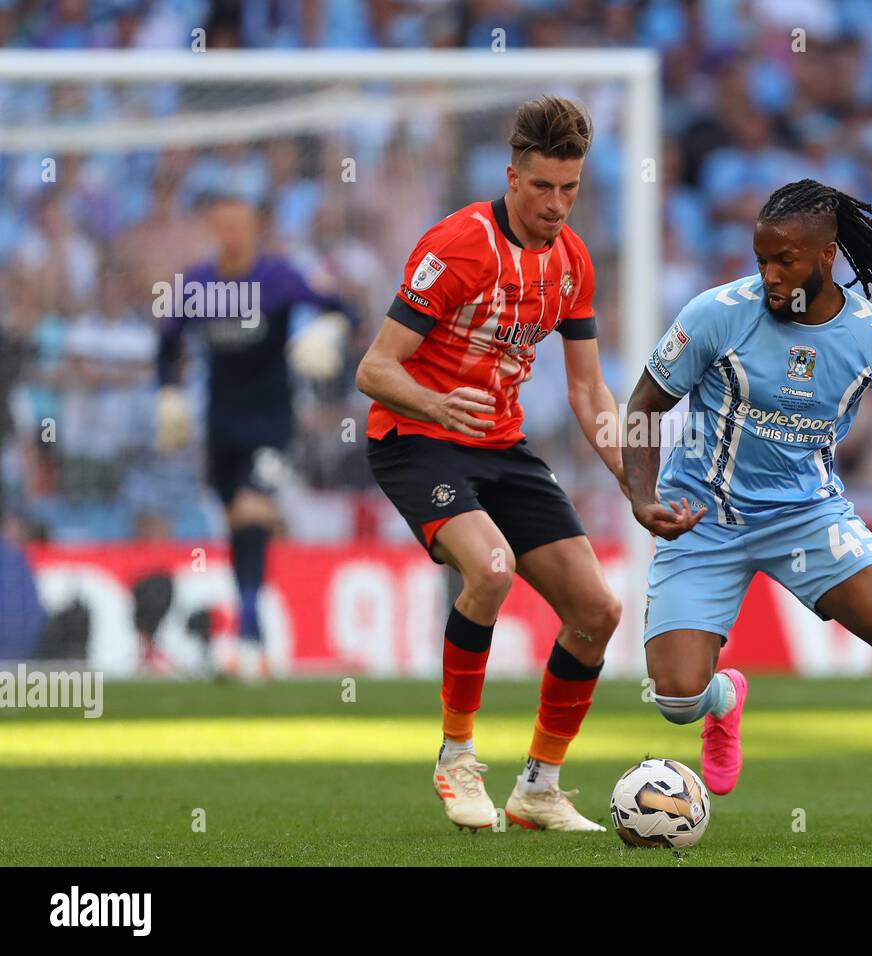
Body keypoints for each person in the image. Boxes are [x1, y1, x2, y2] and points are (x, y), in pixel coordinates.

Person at [622, 179, 872, 842]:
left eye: (784, 261)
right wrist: (642, 498)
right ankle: (723, 699)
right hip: (703, 515)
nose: (769, 276)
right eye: (761, 261)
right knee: (675, 700)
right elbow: (643, 407)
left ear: (827, 256)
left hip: (806, 516)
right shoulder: (715, 314)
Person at [356, 96, 625, 834]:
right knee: (492, 569)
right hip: (417, 436)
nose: (557, 204)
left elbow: (586, 388)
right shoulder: (458, 245)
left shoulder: (571, 263)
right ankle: (456, 757)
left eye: (569, 188)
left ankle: (539, 785)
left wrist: (634, 479)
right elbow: (375, 370)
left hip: (500, 446)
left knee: (598, 612)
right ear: (512, 176)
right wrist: (437, 407)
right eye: (543, 186)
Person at [156, 194, 354, 680]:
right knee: (238, 527)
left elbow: (343, 310)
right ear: (213, 229)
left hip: (271, 423)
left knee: (252, 512)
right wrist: (169, 394)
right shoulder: (197, 284)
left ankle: (245, 639)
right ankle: (254, 639)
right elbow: (167, 343)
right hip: (220, 427)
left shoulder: (278, 277)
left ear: (255, 230)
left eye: (240, 226)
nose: (232, 236)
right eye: (223, 226)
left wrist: (326, 331)